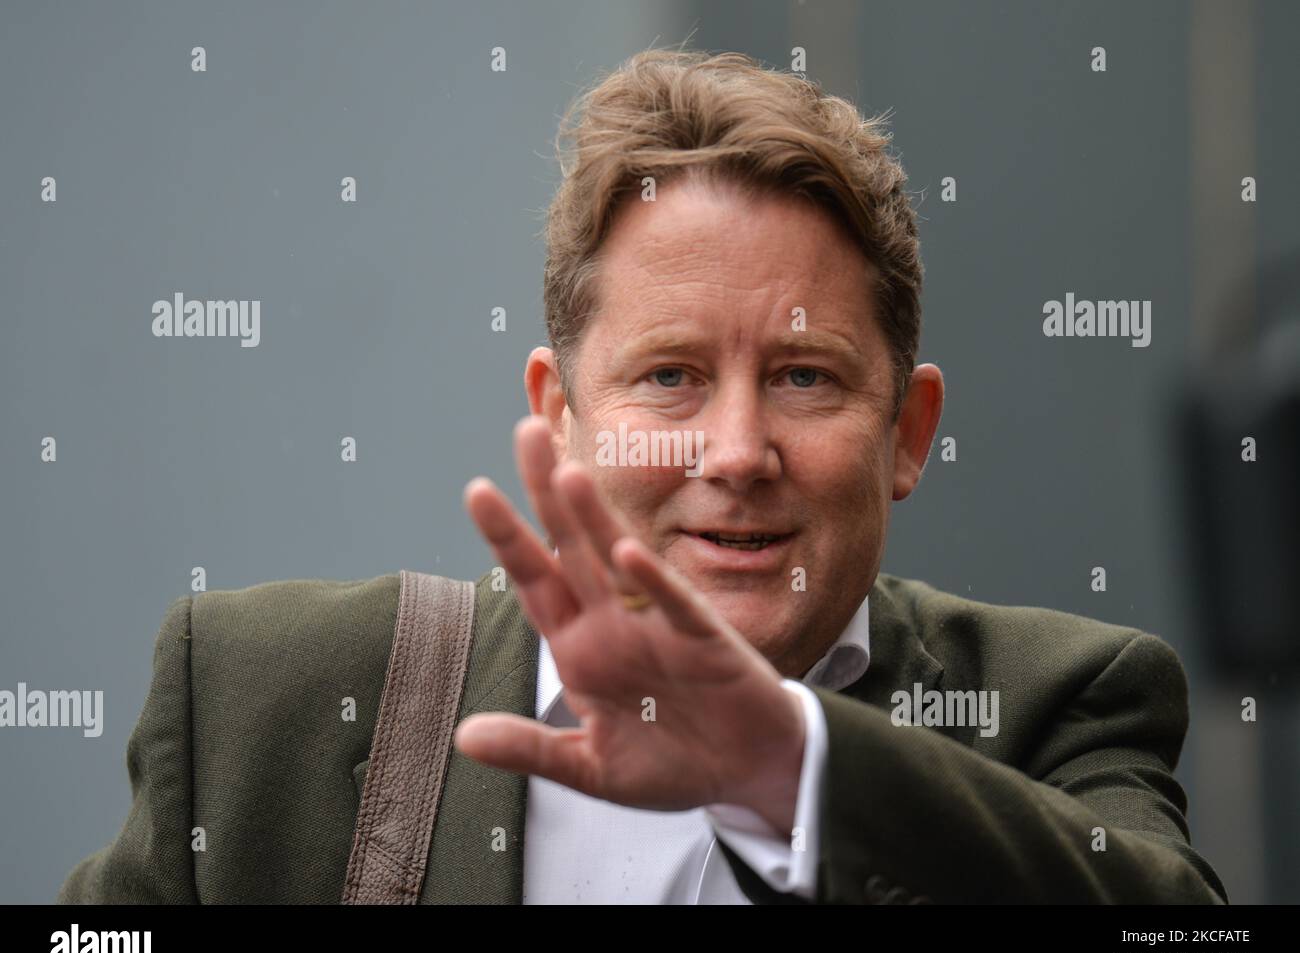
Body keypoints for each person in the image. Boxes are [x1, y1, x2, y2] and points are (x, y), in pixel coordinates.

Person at [56, 48, 1227, 905]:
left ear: (907, 430)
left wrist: (783, 766)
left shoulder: (1061, 700)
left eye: (806, 377)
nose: (733, 453)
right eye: (667, 376)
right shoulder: (263, 697)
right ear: (560, 419)